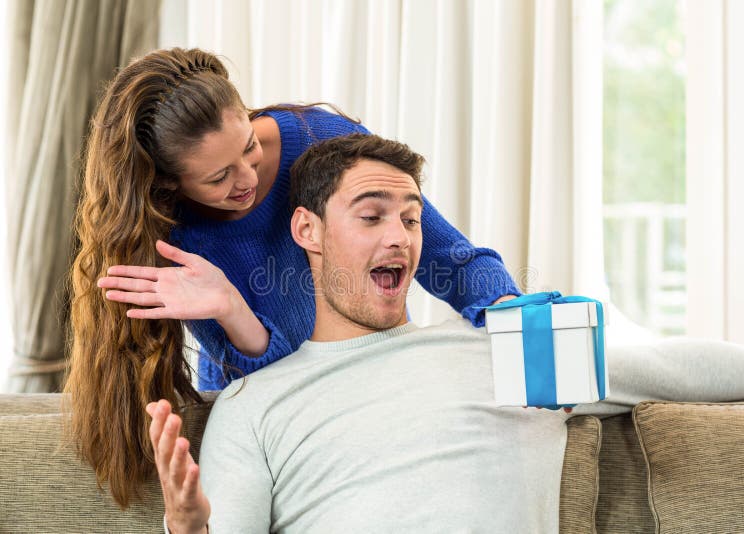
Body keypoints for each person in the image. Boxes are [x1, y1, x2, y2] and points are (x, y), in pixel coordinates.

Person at [148, 133, 744, 533]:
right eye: (371, 216)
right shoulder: (254, 406)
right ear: (307, 231)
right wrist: (187, 528)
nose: (400, 236)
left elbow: (671, 367)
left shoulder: (506, 353)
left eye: (411, 219)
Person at [64, 48, 519, 507]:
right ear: (169, 183)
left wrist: (515, 319)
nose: (247, 178)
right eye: (219, 178)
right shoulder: (172, 236)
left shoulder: (318, 140)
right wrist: (231, 308)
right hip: (266, 399)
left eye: (249, 147)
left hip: (364, 379)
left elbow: (452, 259)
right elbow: (272, 393)